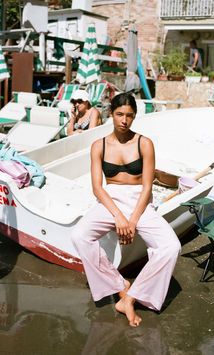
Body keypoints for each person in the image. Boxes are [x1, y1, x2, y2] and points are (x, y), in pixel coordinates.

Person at [71, 93, 181, 327]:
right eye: (120, 114)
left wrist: (132, 221)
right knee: (80, 236)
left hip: (139, 201)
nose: (124, 120)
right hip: (110, 201)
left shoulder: (144, 143)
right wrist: (118, 217)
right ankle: (119, 286)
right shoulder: (98, 145)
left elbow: (147, 186)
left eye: (129, 116)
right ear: (111, 113)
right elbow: (97, 188)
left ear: (134, 117)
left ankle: (130, 298)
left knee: (171, 247)